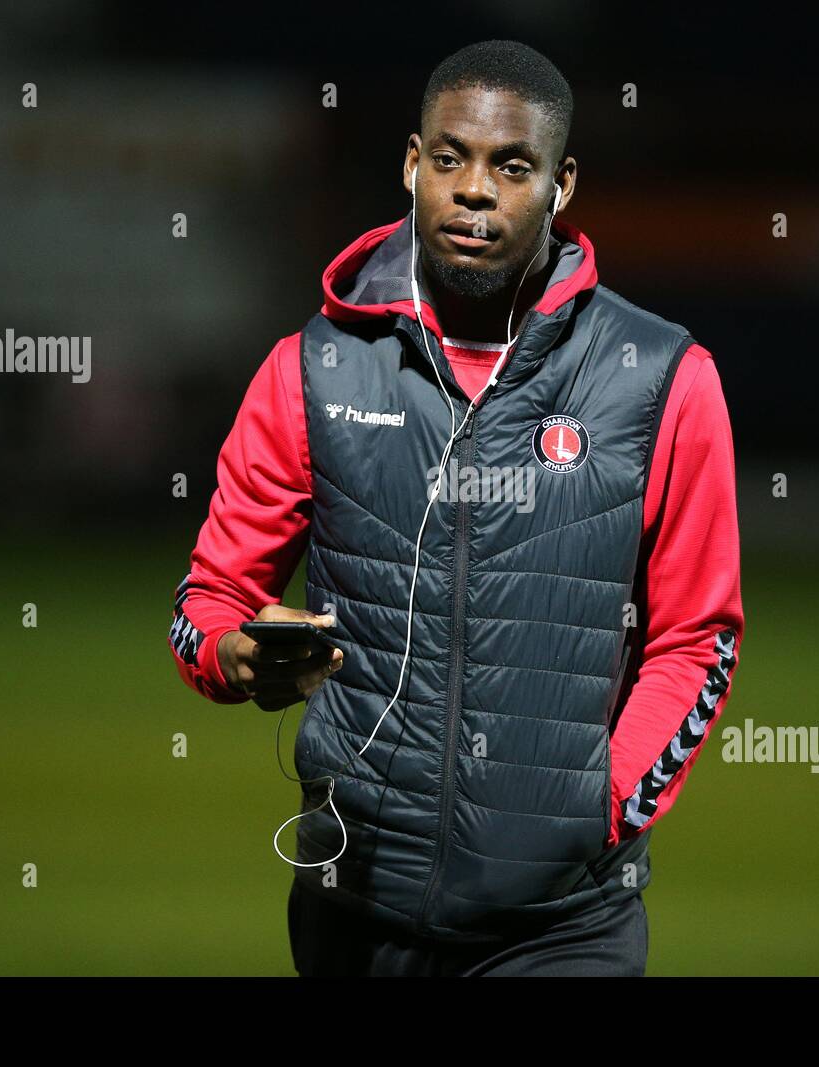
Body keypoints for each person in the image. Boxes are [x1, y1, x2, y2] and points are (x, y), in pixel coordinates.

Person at [167, 39, 744, 977]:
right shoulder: (311, 369)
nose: (474, 190)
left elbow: (699, 640)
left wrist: (598, 814)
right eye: (449, 158)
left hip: (563, 928)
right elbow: (207, 607)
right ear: (411, 164)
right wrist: (237, 656)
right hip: (351, 912)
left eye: (511, 167)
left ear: (561, 186)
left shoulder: (664, 379)